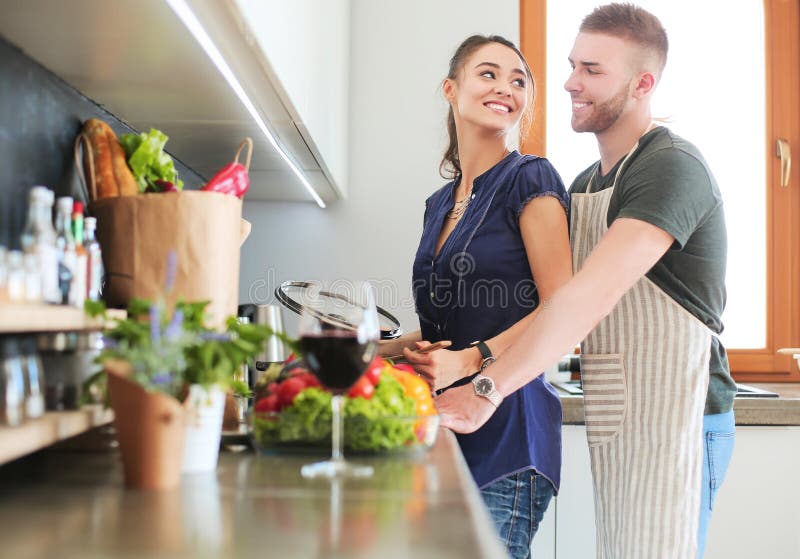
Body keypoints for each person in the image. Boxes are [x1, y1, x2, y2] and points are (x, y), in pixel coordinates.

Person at [435, 5, 736, 559]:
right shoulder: (585, 183)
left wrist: (486, 386)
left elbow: (586, 297)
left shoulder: (671, 166)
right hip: (619, 413)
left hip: (682, 416)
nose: (571, 82)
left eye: (593, 71)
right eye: (573, 66)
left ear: (643, 83)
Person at [380, 35, 573, 558]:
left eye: (518, 80)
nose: (505, 88)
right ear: (451, 88)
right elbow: (453, 328)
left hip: (510, 427)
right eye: (488, 74)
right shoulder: (439, 203)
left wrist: (472, 359)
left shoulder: (530, 177)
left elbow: (561, 304)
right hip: (441, 422)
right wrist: (380, 351)